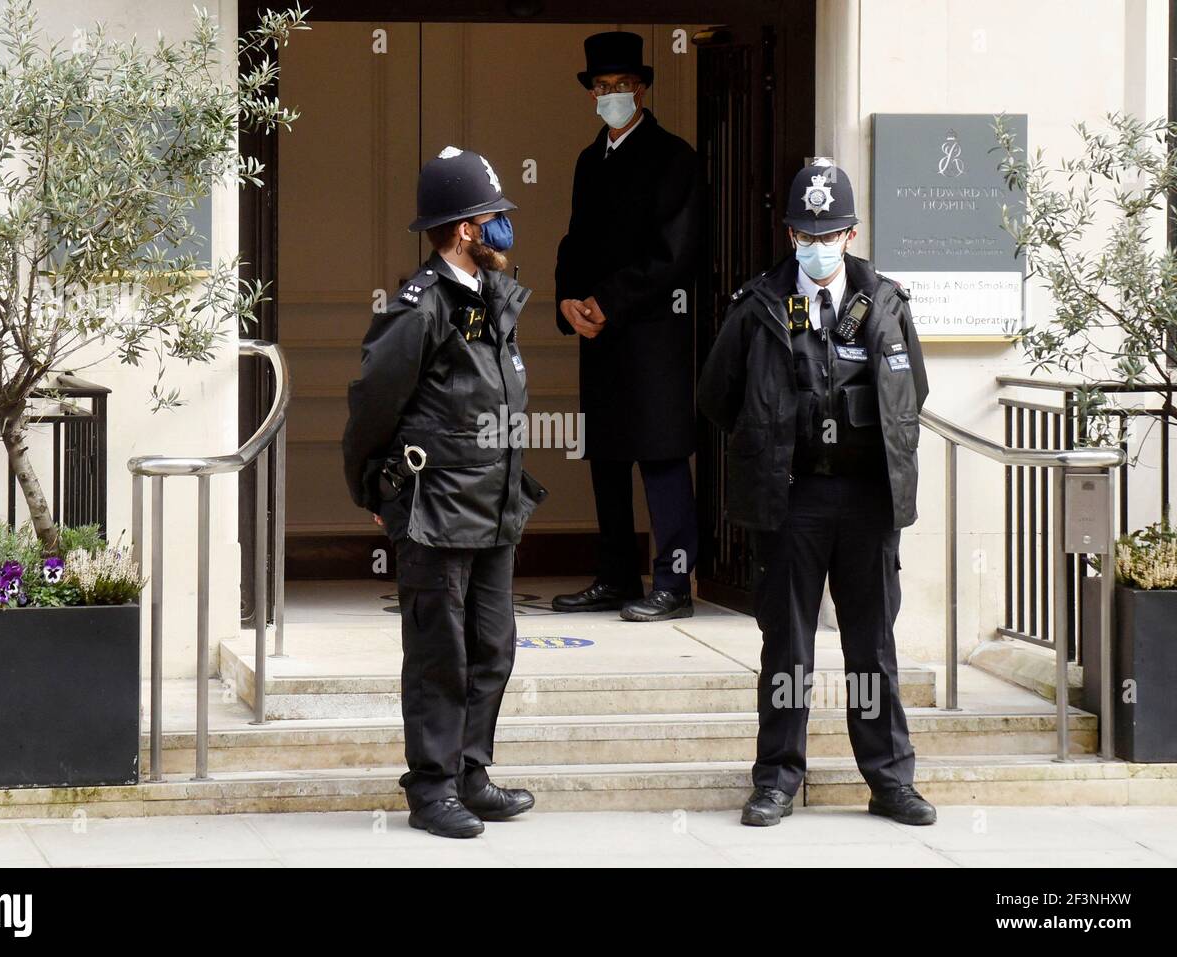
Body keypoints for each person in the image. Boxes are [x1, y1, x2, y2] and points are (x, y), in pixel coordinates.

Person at [697, 159, 937, 827]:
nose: (816, 244)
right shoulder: (757, 306)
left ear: (852, 233)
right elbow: (716, 394)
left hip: (865, 500)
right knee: (789, 648)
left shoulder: (887, 304)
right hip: (792, 498)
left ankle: (890, 779)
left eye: (828, 232)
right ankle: (777, 778)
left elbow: (911, 390)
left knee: (871, 648)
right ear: (789, 234)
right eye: (805, 232)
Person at [342, 147, 546, 839]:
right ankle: (431, 787)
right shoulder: (421, 307)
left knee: (492, 645)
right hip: (434, 508)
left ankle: (470, 773)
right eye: (493, 217)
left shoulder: (493, 300)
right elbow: (372, 401)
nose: (502, 228)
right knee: (440, 653)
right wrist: (372, 483)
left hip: (494, 504)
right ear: (465, 229)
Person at [551, 30, 702, 623]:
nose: (611, 95)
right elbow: (574, 241)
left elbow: (676, 254)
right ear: (591, 93)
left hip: (654, 335)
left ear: (641, 90)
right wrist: (568, 300)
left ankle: (674, 583)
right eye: (601, 87)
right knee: (607, 459)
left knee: (662, 459)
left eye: (622, 85)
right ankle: (615, 577)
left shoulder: (674, 157)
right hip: (600, 335)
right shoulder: (591, 160)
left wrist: (607, 301)